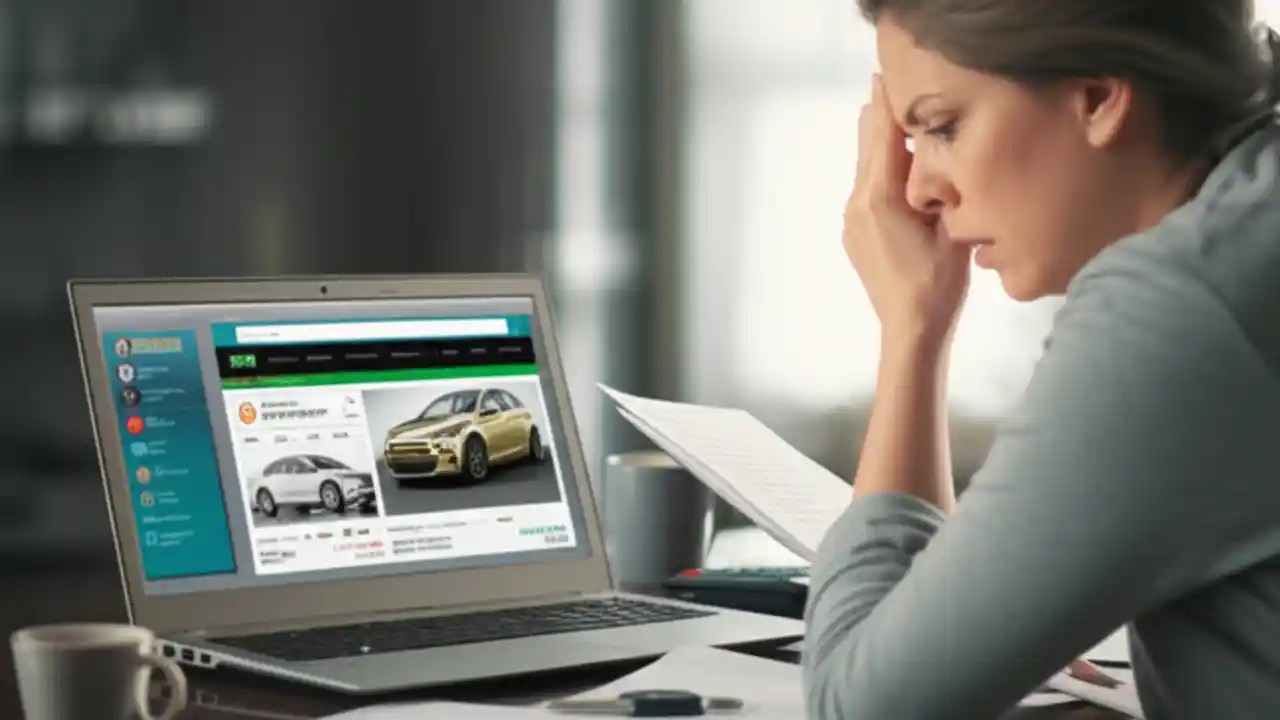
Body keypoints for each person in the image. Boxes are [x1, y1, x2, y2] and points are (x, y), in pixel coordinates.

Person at [804, 1, 1280, 718]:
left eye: (942, 126)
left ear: (1095, 98)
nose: (916, 189)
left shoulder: (1181, 304)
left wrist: (912, 332)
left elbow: (864, 709)